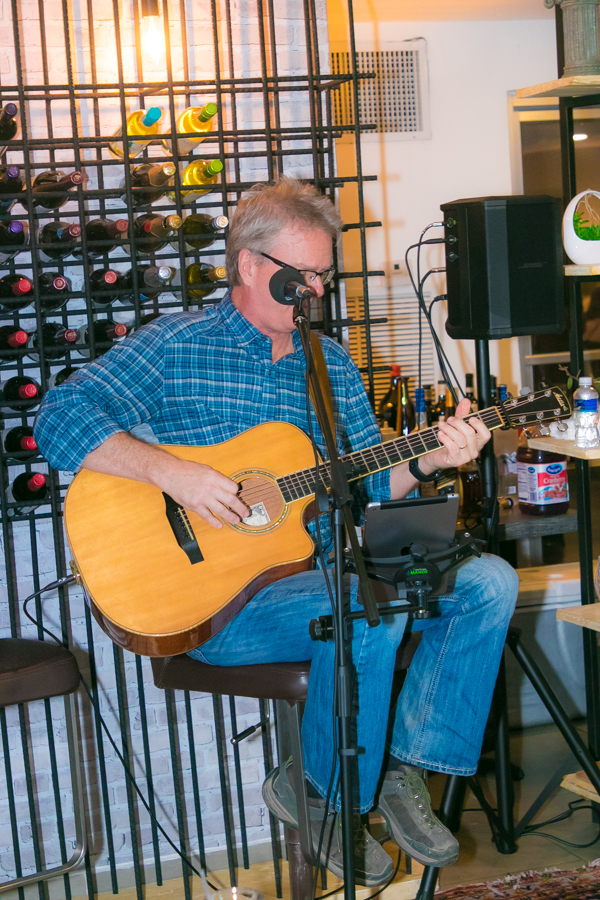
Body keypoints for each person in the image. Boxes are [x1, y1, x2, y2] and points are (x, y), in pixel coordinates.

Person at [34, 177, 519, 886]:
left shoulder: (330, 363)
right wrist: (176, 475)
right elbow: (57, 417)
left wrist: (430, 459)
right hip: (217, 603)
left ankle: (400, 767)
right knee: (368, 608)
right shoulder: (176, 345)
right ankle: (325, 798)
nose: (314, 292)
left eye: (323, 276)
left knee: (488, 582)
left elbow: (368, 487)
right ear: (248, 264)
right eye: (301, 276)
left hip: (318, 579)